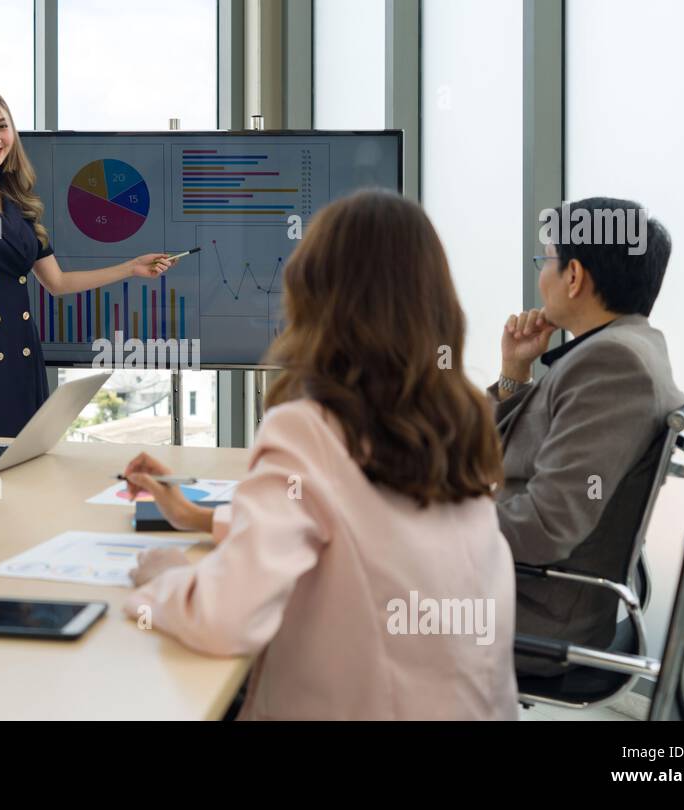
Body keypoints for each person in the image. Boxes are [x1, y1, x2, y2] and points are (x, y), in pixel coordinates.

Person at [119, 190, 518, 720]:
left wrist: (166, 578)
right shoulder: (458, 422)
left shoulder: (308, 430)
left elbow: (224, 618)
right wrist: (200, 517)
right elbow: (368, 532)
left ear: (312, 297)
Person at [492, 197, 684, 674]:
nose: (542, 276)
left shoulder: (612, 366)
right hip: (524, 586)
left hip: (531, 610)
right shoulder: (624, 347)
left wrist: (431, 523)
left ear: (574, 276)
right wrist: (515, 371)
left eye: (547, 261)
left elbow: (544, 528)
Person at [0, 83, 175, 437]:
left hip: (20, 352)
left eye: (2, 126)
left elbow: (57, 282)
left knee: (22, 466)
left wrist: (131, 267)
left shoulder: (18, 201)